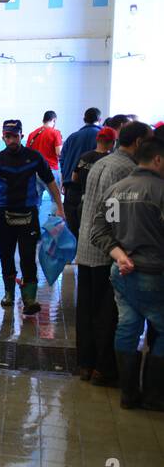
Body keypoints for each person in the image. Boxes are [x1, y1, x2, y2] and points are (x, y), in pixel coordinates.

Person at [89, 137, 164, 409]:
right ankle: (155, 396)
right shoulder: (159, 191)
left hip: (121, 273)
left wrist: (119, 254)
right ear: (157, 159)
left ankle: (128, 394)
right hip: (154, 274)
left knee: (128, 326)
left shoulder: (117, 191)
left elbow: (99, 230)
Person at [75, 121, 151, 386]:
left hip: (86, 248)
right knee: (107, 314)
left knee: (86, 310)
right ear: (140, 143)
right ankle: (103, 368)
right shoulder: (126, 169)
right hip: (106, 252)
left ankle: (85, 364)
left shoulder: (101, 163)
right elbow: (114, 215)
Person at [0, 119, 65, 315]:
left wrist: (60, 208)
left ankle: (29, 299)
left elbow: (50, 183)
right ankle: (9, 294)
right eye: (8, 136)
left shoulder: (35, 157)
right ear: (3, 137)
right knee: (6, 258)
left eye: (15, 136)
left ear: (22, 136)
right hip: (3, 216)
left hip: (28, 215)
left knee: (28, 258)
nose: (12, 139)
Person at [66, 126, 116, 237]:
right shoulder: (111, 160)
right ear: (113, 142)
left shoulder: (85, 156)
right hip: (102, 206)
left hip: (82, 201)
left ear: (97, 140)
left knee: (80, 234)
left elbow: (74, 177)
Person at [59, 107, 102, 188]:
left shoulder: (72, 137)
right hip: (92, 185)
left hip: (70, 183)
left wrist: (64, 181)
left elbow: (62, 160)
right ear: (100, 120)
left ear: (84, 119)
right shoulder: (103, 137)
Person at [26, 111, 63, 200]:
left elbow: (27, 153)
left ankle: (35, 214)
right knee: (56, 200)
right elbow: (59, 153)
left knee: (35, 201)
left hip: (34, 171)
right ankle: (55, 215)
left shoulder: (32, 134)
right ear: (54, 120)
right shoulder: (55, 133)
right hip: (50, 170)